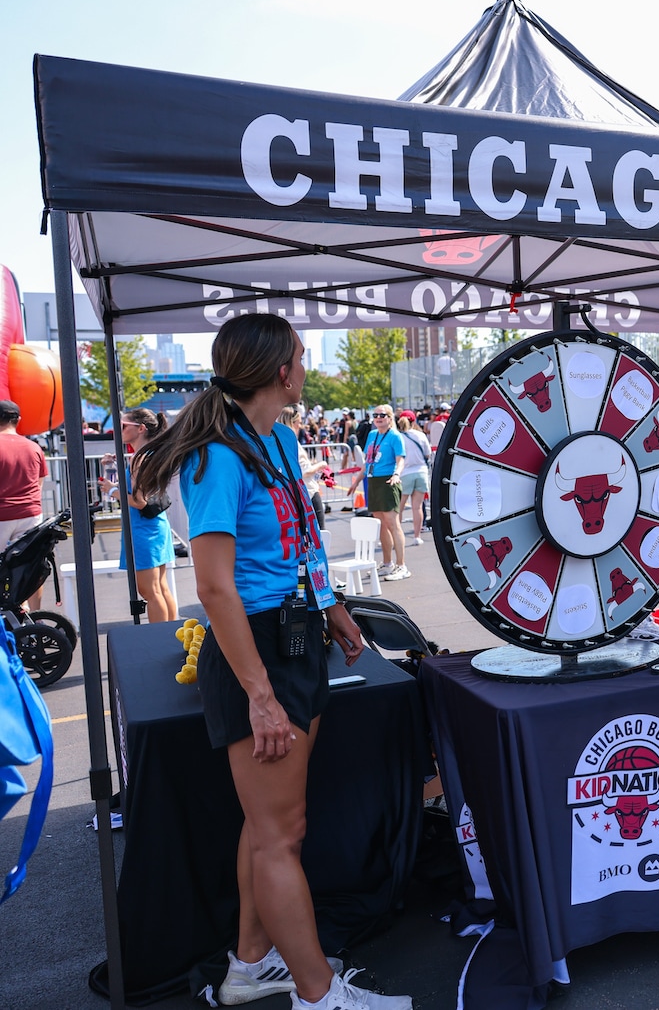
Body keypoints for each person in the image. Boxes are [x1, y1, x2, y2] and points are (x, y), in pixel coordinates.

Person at [131, 313, 411, 1009]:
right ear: (282, 372)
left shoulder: (279, 438)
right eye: (301, 356)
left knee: (269, 827)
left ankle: (252, 964)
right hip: (255, 653)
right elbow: (214, 585)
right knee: (283, 835)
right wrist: (258, 694)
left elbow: (302, 545)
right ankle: (319, 995)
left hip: (294, 641)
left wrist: (334, 607)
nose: (307, 365)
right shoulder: (219, 455)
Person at [101, 408, 180, 623]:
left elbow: (138, 500)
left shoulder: (140, 458)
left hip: (143, 529)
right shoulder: (151, 454)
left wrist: (111, 490)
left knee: (150, 591)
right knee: (160, 588)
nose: (119, 430)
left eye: (124, 426)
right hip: (155, 525)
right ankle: (171, 636)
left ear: (141, 429)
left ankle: (160, 640)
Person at [0, 399, 49, 610]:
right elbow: (39, 483)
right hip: (30, 513)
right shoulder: (34, 447)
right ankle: (33, 615)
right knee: (31, 565)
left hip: (2, 514)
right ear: (18, 420)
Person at [362, 406, 407, 580]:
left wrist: (397, 474)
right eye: (375, 415)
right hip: (373, 480)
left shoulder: (395, 436)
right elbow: (368, 461)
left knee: (392, 523)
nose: (378, 418)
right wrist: (358, 480)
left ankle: (402, 565)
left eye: (382, 415)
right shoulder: (372, 435)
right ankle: (387, 563)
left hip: (389, 480)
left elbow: (400, 460)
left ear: (390, 418)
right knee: (380, 524)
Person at [279, 408, 328, 533]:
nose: (300, 426)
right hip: (308, 491)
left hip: (292, 493)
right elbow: (305, 471)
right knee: (319, 532)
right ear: (292, 422)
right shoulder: (292, 442)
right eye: (299, 423)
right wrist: (321, 464)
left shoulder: (279, 442)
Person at [395, 413, 432, 546]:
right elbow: (427, 453)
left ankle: (397, 538)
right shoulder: (420, 435)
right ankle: (417, 536)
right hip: (421, 472)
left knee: (399, 508)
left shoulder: (398, 437)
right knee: (417, 508)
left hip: (404, 473)